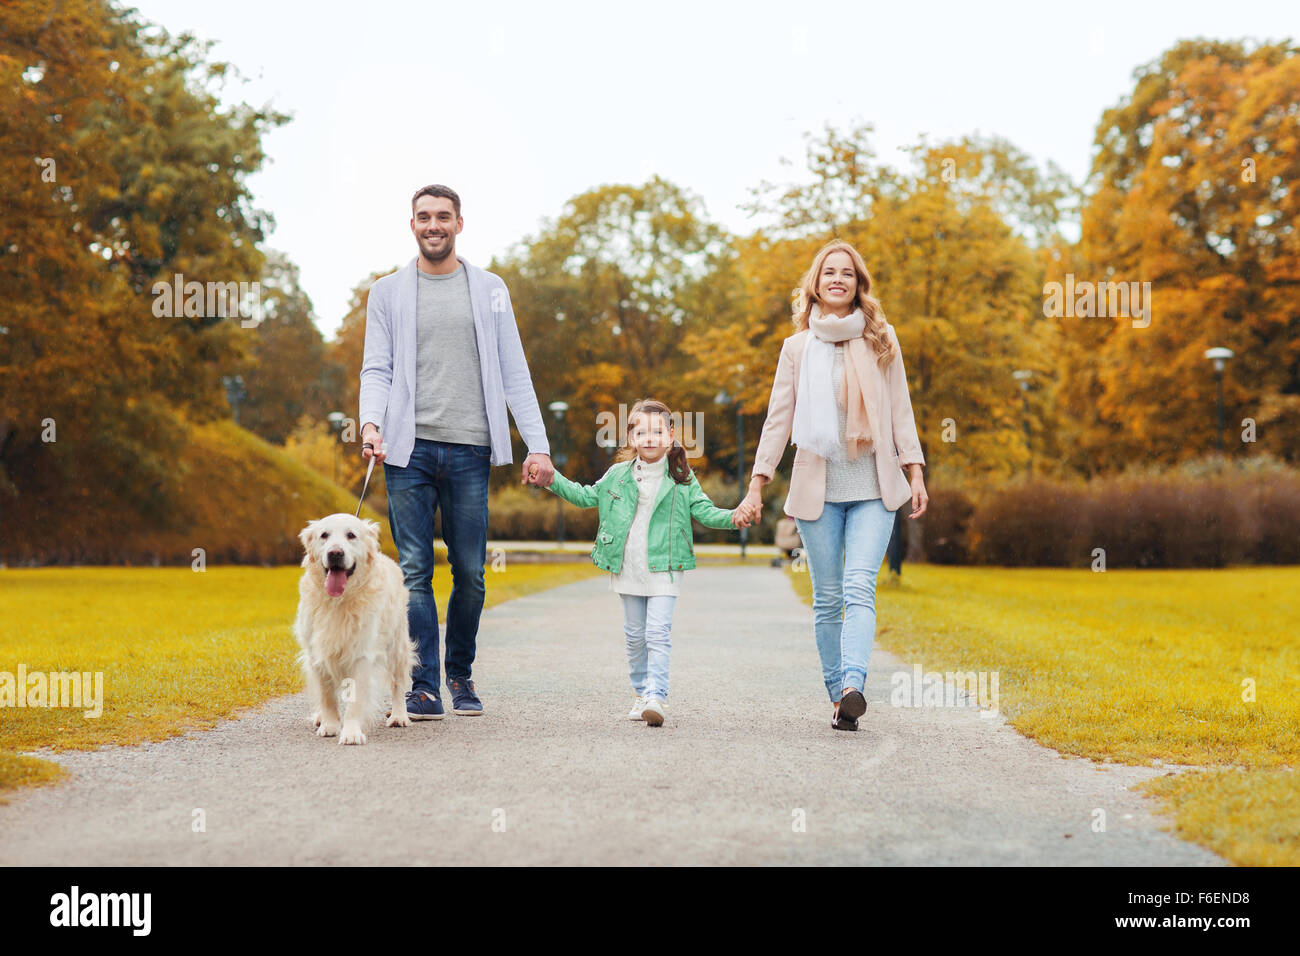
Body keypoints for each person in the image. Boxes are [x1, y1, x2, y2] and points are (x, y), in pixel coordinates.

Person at [359, 184, 554, 720]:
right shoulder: (388, 292)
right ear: (413, 224)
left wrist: (537, 445)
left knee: (469, 571)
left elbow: (514, 370)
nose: (433, 225)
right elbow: (377, 366)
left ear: (459, 224)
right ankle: (423, 686)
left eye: (443, 216)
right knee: (416, 570)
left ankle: (460, 673)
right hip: (406, 449)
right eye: (423, 217)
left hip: (470, 447)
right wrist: (371, 424)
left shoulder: (490, 289)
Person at [737, 240, 928, 733]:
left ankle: (852, 686)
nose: (838, 279)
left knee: (860, 586)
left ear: (858, 284)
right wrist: (757, 484)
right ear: (816, 284)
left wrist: (915, 469)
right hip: (817, 491)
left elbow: (901, 409)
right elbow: (778, 421)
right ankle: (838, 697)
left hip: (872, 488)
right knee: (827, 598)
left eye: (848, 273)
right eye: (829, 272)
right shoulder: (797, 349)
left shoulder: (882, 339)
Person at [527, 399, 751, 727]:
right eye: (641, 431)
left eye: (657, 431)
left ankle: (656, 695)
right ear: (631, 437)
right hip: (628, 566)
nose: (649, 438)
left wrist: (734, 517)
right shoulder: (617, 476)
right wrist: (551, 479)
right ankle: (640, 692)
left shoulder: (682, 478)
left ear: (671, 435)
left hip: (667, 565)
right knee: (635, 635)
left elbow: (705, 511)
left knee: (657, 632)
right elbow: (585, 496)